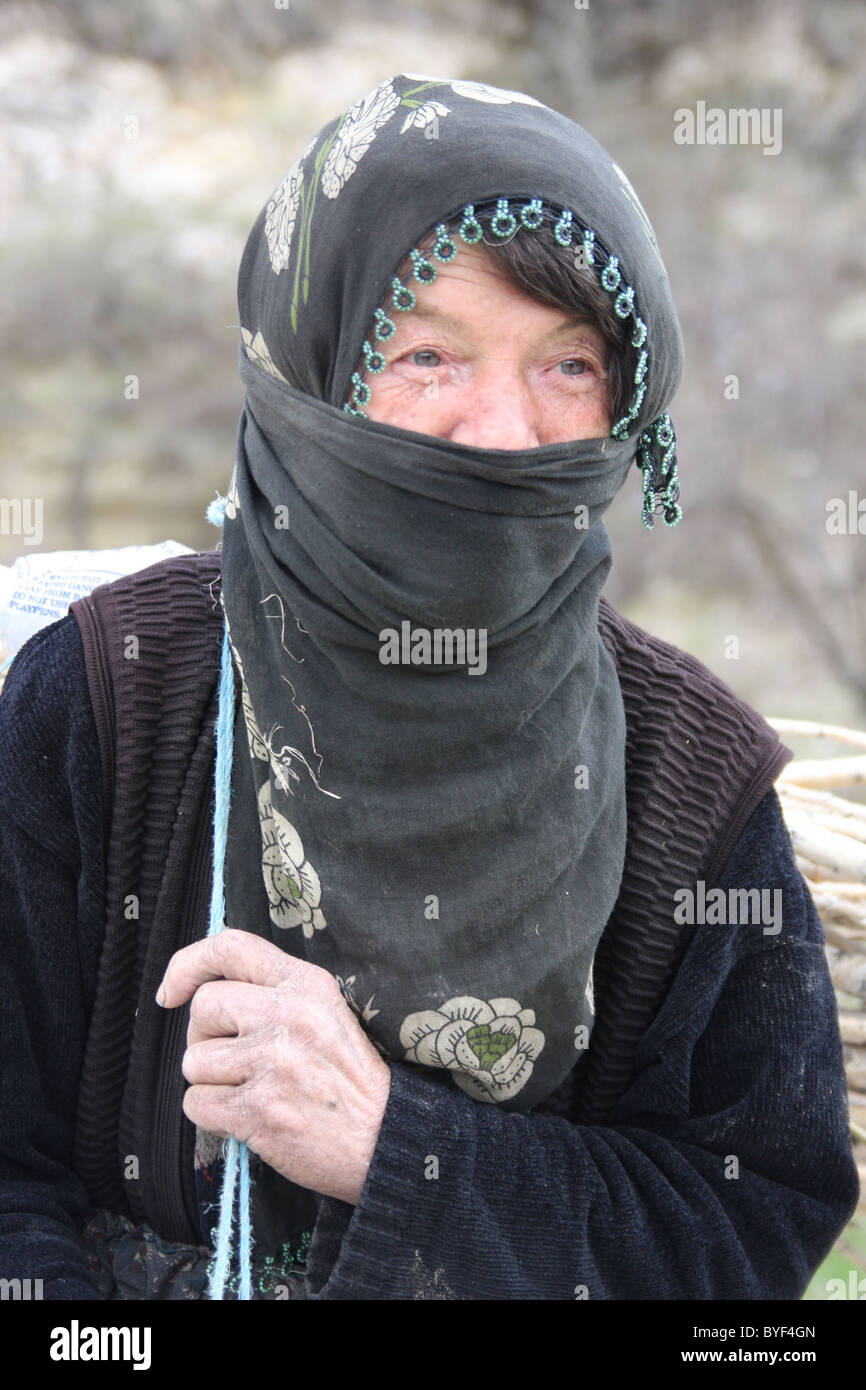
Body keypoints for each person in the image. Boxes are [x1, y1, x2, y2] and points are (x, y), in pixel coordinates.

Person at [0, 73, 859, 1302]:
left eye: (566, 365)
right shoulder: (106, 694)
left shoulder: (693, 780)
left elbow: (745, 1230)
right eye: (426, 354)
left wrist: (394, 1147)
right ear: (309, 374)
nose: (505, 432)